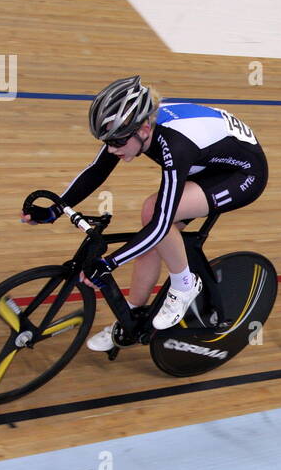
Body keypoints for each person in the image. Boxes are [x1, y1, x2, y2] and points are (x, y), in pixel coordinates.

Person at [20, 75, 267, 351]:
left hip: (242, 174)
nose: (112, 149)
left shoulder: (174, 145)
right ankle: (132, 316)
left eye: (117, 142)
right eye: (107, 142)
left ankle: (185, 285)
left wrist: (110, 263)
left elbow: (161, 223)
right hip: (206, 160)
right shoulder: (130, 127)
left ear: (145, 129)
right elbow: (96, 171)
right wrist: (55, 209)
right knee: (150, 235)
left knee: (154, 215)